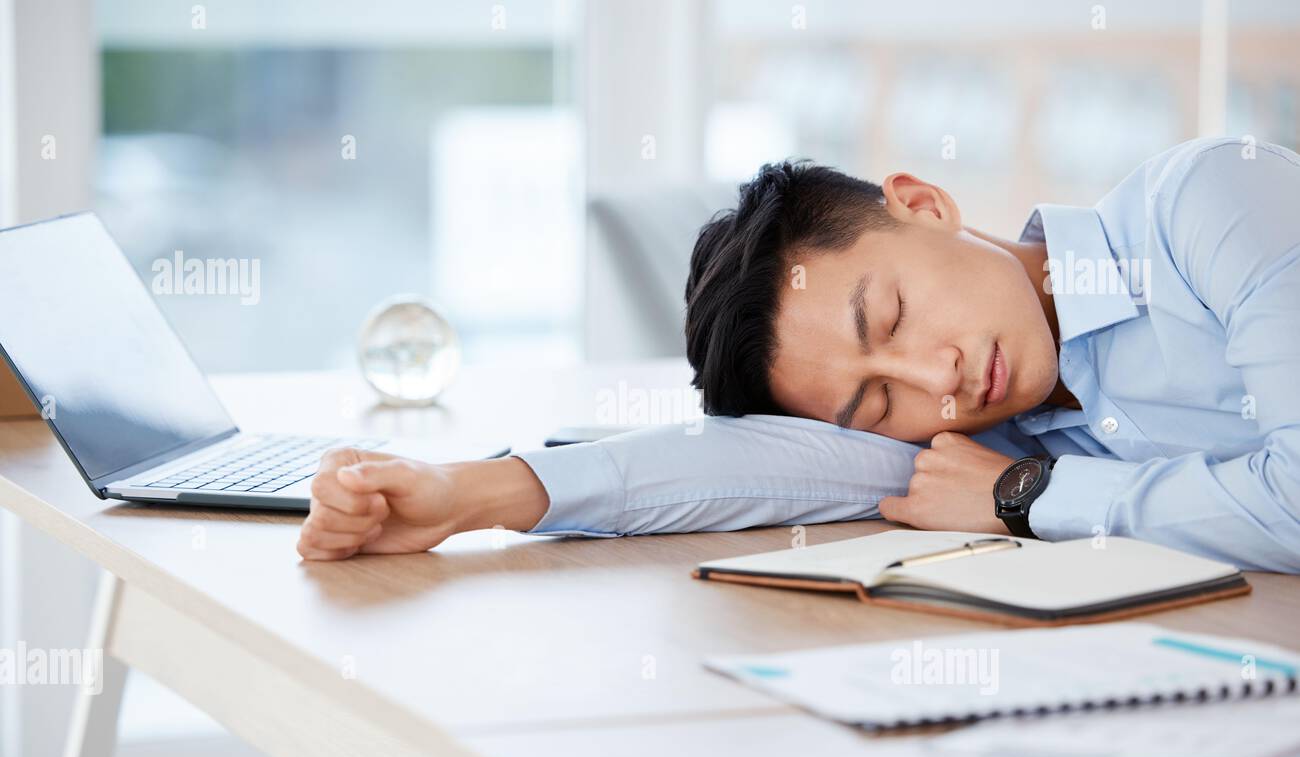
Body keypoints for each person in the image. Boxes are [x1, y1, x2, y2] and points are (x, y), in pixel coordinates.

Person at [297, 136, 1300, 573]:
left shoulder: (1209, 202)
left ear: (921, 204)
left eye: (890, 313)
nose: (933, 380)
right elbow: (746, 460)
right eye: (872, 404)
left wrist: (1030, 498)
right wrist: (475, 495)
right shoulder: (979, 436)